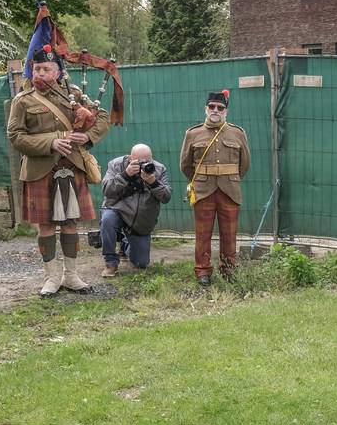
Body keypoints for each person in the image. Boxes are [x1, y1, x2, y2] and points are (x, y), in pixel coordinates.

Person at [7, 43, 109, 296]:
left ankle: (72, 276)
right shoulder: (22, 101)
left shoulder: (74, 95)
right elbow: (15, 136)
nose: (40, 73)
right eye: (37, 68)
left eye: (46, 69)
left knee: (72, 224)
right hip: (40, 169)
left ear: (57, 71)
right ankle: (51, 278)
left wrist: (88, 137)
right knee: (46, 226)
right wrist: (51, 141)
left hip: (72, 166)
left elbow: (103, 117)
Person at [179, 90, 250, 287]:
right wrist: (200, 180)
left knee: (230, 234)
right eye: (212, 107)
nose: (216, 110)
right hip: (203, 191)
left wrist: (231, 179)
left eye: (220, 107)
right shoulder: (192, 134)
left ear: (226, 111)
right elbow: (185, 165)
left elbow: (244, 164)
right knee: (203, 234)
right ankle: (203, 271)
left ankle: (228, 269)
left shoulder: (238, 133)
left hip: (229, 191)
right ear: (205, 109)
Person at [98, 143, 172, 277]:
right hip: (118, 210)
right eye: (140, 161)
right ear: (130, 158)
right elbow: (107, 190)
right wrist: (125, 175)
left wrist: (153, 182)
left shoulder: (159, 169)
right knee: (107, 219)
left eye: (147, 160)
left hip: (141, 219)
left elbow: (166, 197)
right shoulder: (116, 165)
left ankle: (125, 245)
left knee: (141, 263)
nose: (144, 164)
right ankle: (111, 262)